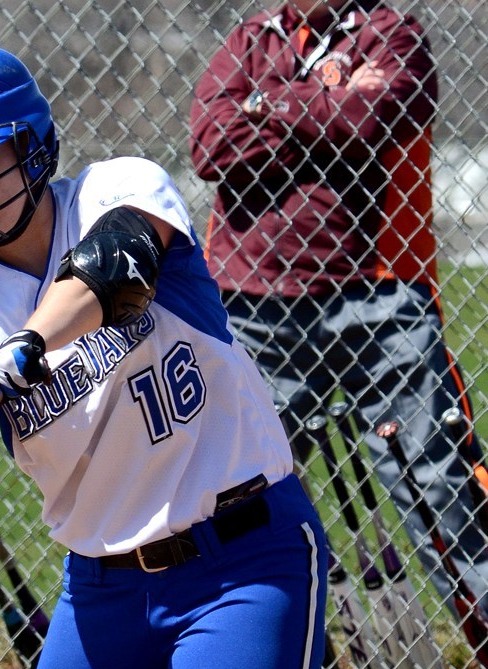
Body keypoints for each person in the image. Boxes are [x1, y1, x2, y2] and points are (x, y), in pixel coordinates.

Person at [0, 44, 328, 669]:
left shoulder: (115, 189)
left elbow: (114, 266)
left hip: (242, 561)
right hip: (102, 590)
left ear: (30, 147)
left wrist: (21, 351)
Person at [189, 0, 488, 614]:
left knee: (440, 486)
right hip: (254, 309)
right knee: (232, 498)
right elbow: (209, 146)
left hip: (377, 298)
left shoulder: (390, 33)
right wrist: (325, 109)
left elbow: (372, 118)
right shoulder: (251, 39)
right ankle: (246, 639)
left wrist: (265, 105)